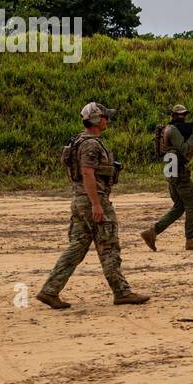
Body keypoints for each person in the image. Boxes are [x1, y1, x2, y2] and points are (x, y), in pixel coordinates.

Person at [37, 102, 150, 309]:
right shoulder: (90, 144)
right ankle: (122, 292)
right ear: (98, 120)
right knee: (108, 246)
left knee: (77, 247)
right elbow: (88, 173)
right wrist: (96, 204)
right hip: (92, 200)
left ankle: (50, 290)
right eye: (105, 117)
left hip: (81, 201)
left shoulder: (80, 141)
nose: (108, 120)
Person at [141, 104, 193, 252]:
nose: (182, 117)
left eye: (184, 114)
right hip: (178, 170)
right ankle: (191, 240)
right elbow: (185, 149)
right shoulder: (172, 130)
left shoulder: (172, 129)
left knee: (179, 206)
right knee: (192, 205)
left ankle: (152, 232)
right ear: (172, 115)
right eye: (179, 115)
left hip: (172, 170)